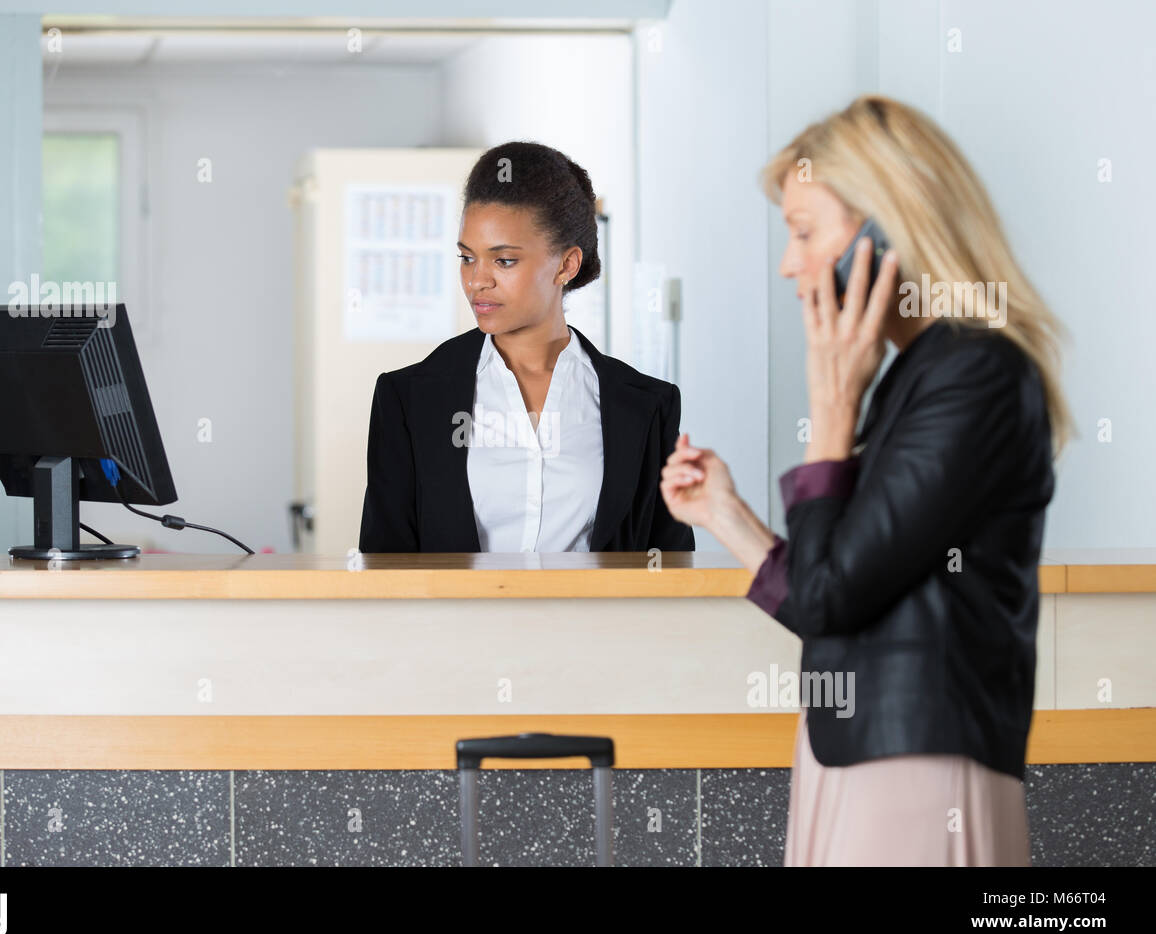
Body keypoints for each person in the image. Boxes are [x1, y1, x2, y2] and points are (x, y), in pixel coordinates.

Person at [660, 94, 1074, 865]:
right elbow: (839, 599)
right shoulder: (919, 375)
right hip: (859, 752)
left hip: (916, 767)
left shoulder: (974, 373)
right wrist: (729, 516)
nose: (789, 262)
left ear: (888, 231)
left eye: (806, 232)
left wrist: (831, 408)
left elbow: (833, 595)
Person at [360, 141, 694, 554]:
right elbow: (384, 568)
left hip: (595, 621)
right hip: (455, 621)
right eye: (468, 258)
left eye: (503, 261)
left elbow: (672, 567)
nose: (477, 281)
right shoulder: (409, 399)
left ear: (566, 265)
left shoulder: (645, 407)